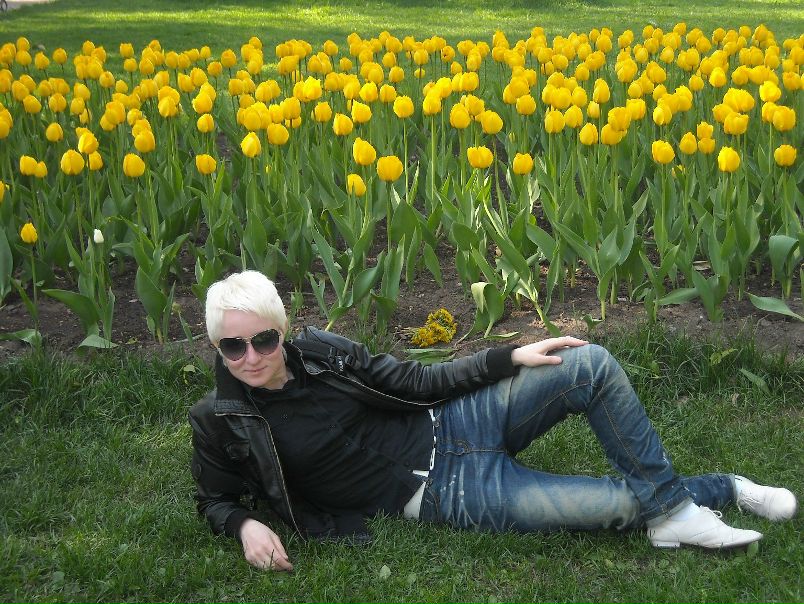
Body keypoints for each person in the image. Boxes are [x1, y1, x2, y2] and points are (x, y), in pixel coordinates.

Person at [189, 270, 798, 571]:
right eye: (233, 347)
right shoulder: (220, 419)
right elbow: (213, 499)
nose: (252, 357)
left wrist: (508, 358)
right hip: (446, 493)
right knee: (613, 506)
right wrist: (244, 524)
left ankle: (674, 513)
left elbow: (412, 380)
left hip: (455, 422)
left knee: (587, 362)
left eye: (263, 339)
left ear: (283, 331)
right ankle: (722, 490)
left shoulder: (322, 350)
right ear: (217, 347)